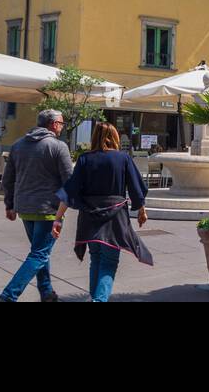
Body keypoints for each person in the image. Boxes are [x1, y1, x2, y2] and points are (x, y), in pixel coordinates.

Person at [59, 122, 153, 302]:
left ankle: (95, 298)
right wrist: (141, 209)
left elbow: (70, 189)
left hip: (89, 217)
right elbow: (136, 188)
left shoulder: (85, 159)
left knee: (96, 258)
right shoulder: (122, 158)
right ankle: (99, 299)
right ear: (115, 137)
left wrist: (57, 219)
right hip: (114, 218)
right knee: (109, 262)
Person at [0, 109, 74, 302]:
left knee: (40, 251)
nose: (62, 127)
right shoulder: (58, 146)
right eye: (61, 124)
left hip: (24, 208)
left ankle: (47, 292)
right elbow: (69, 181)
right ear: (54, 124)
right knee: (39, 254)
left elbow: (8, 179)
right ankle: (8, 297)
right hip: (48, 209)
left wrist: (9, 205)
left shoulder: (18, 145)